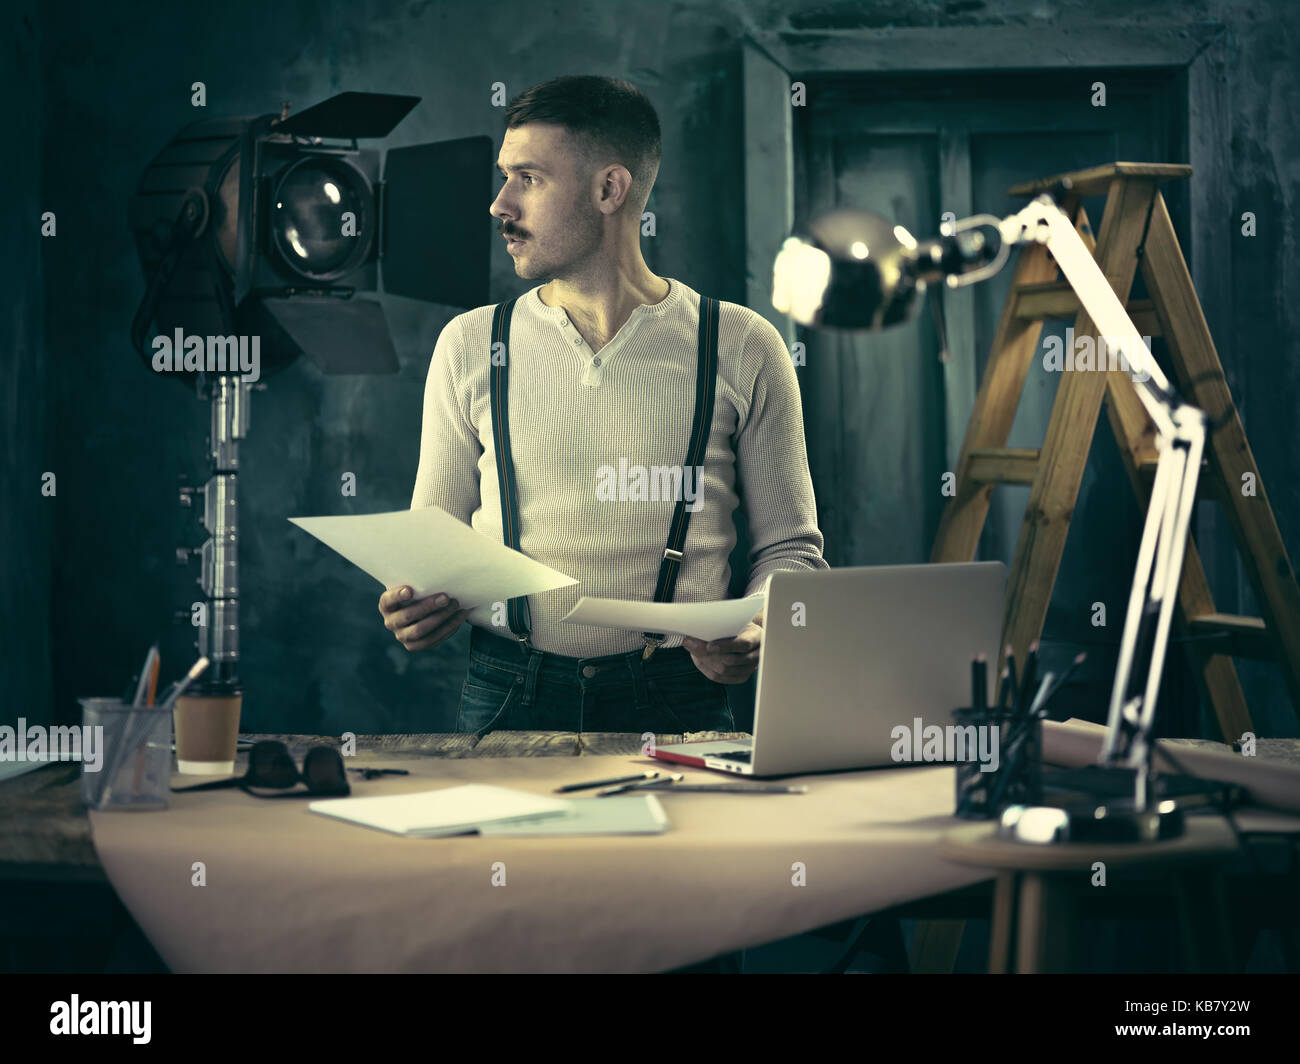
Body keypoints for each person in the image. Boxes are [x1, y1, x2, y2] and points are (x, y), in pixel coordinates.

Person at [379, 74, 827, 739]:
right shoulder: (472, 345)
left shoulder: (742, 345)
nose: (499, 204)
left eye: (527, 178)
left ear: (609, 190)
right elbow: (431, 536)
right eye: (505, 177)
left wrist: (760, 620)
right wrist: (414, 604)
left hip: (680, 699)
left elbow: (792, 551)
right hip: (507, 694)